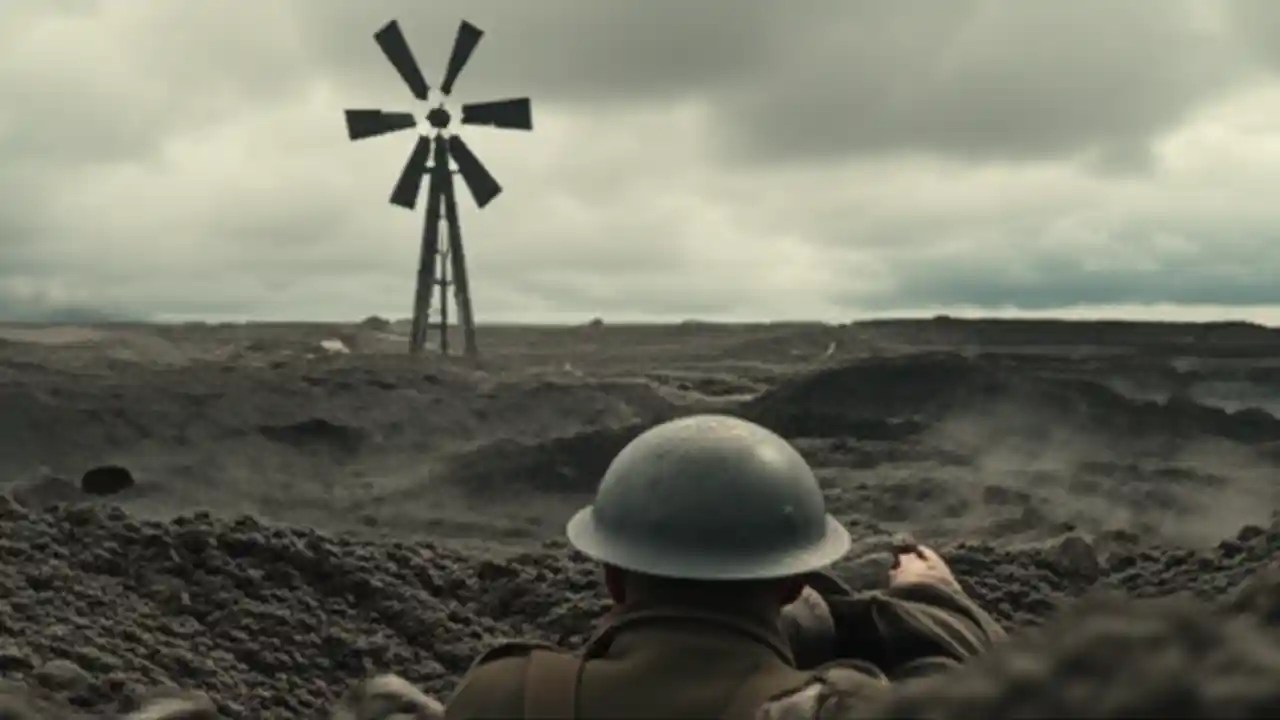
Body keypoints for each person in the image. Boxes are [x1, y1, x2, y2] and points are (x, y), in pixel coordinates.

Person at [444, 414, 1004, 720]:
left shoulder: (504, 696)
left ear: (612, 577)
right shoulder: (840, 709)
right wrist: (933, 598)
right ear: (791, 585)